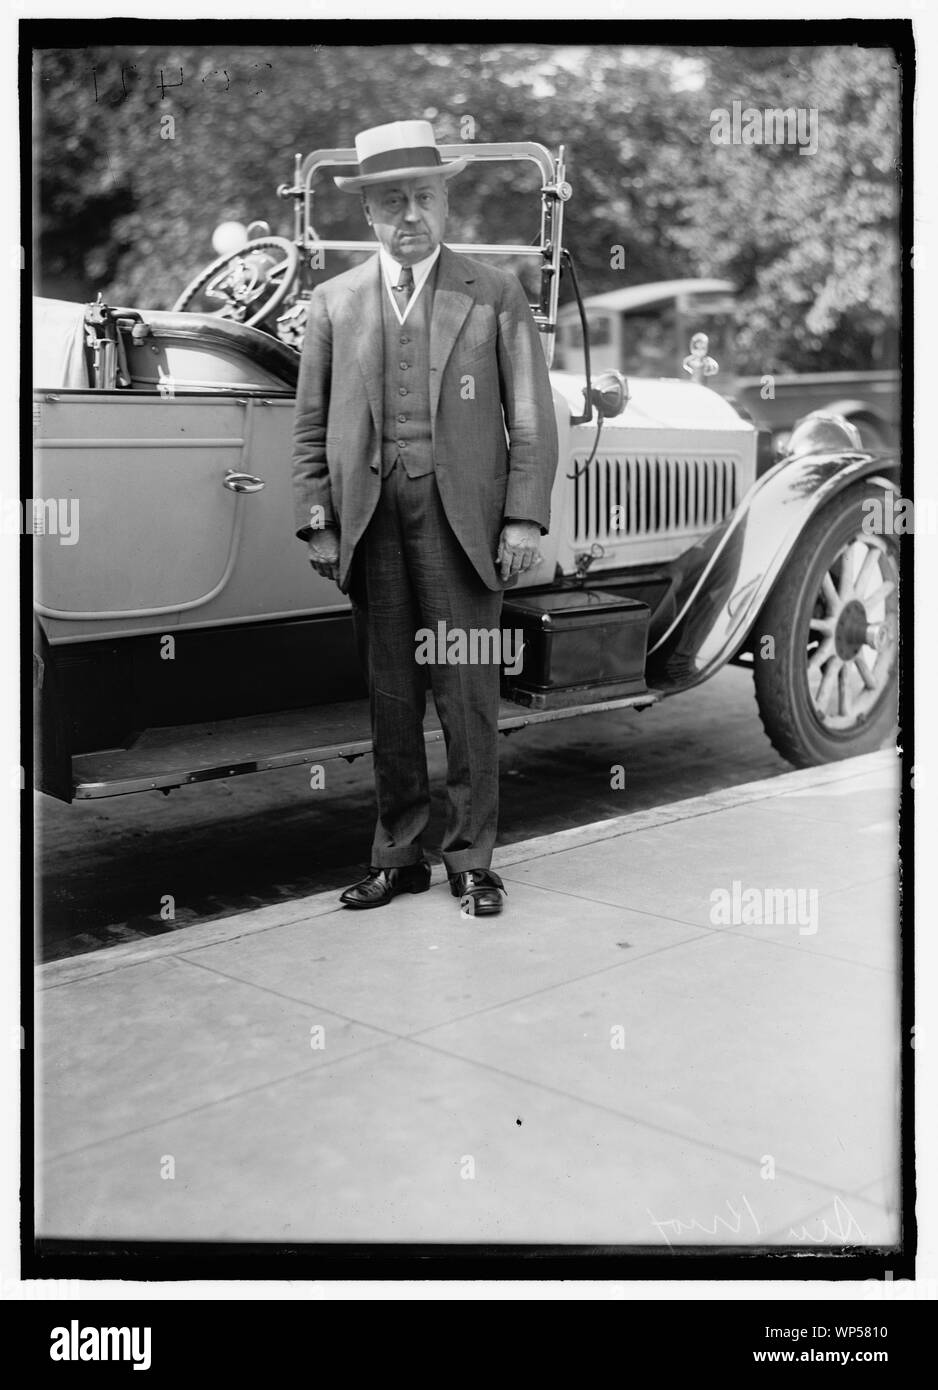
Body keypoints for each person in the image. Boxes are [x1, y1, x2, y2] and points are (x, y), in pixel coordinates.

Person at [292, 120, 558, 917]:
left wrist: (521, 521)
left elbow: (533, 420)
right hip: (370, 524)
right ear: (368, 215)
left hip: (464, 526)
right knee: (390, 697)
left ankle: (471, 860)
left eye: (424, 197)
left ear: (445, 203)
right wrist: (317, 520)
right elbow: (307, 429)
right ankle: (399, 855)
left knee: (467, 695)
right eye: (392, 202)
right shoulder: (333, 303)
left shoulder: (496, 291)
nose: (410, 215)